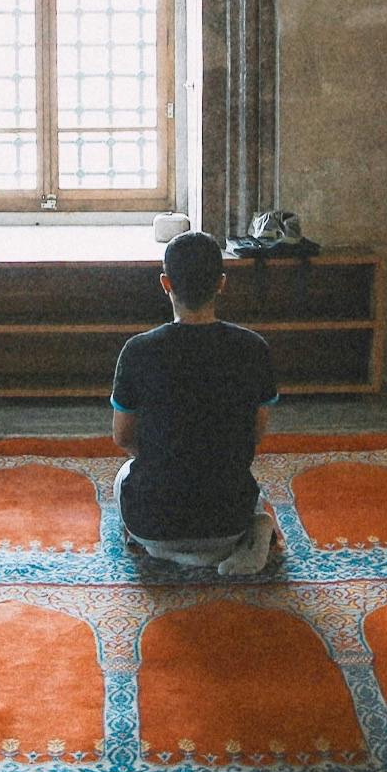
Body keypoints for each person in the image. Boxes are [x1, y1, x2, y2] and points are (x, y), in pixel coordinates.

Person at [110, 229, 281, 578]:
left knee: (122, 478)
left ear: (165, 283)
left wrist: (167, 456)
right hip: (228, 520)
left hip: (153, 525)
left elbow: (123, 438)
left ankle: (174, 554)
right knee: (247, 491)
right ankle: (244, 542)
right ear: (221, 283)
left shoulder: (137, 351)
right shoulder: (254, 349)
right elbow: (255, 434)